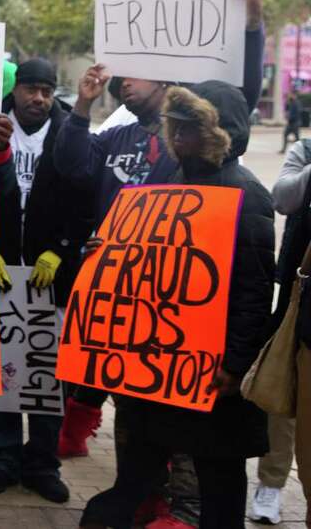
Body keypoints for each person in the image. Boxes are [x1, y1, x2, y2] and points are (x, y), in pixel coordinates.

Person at [79, 82, 274, 529]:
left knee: (219, 476)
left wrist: (235, 363)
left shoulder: (248, 193)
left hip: (212, 371)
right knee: (141, 465)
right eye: (177, 128)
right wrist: (108, 254)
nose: (180, 138)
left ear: (220, 132)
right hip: (166, 362)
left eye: (191, 128)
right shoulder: (172, 182)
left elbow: (253, 292)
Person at [0, 58, 93, 506]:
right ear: (16, 89)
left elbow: (86, 200)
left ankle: (42, 462)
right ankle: (2, 458)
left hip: (50, 273)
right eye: (30, 89)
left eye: (46, 90)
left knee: (47, 369)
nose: (39, 98)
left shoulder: (72, 130)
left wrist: (61, 250)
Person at [255, 131, 311, 524]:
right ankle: (271, 485)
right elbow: (282, 198)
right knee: (286, 394)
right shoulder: (306, 149)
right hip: (301, 295)